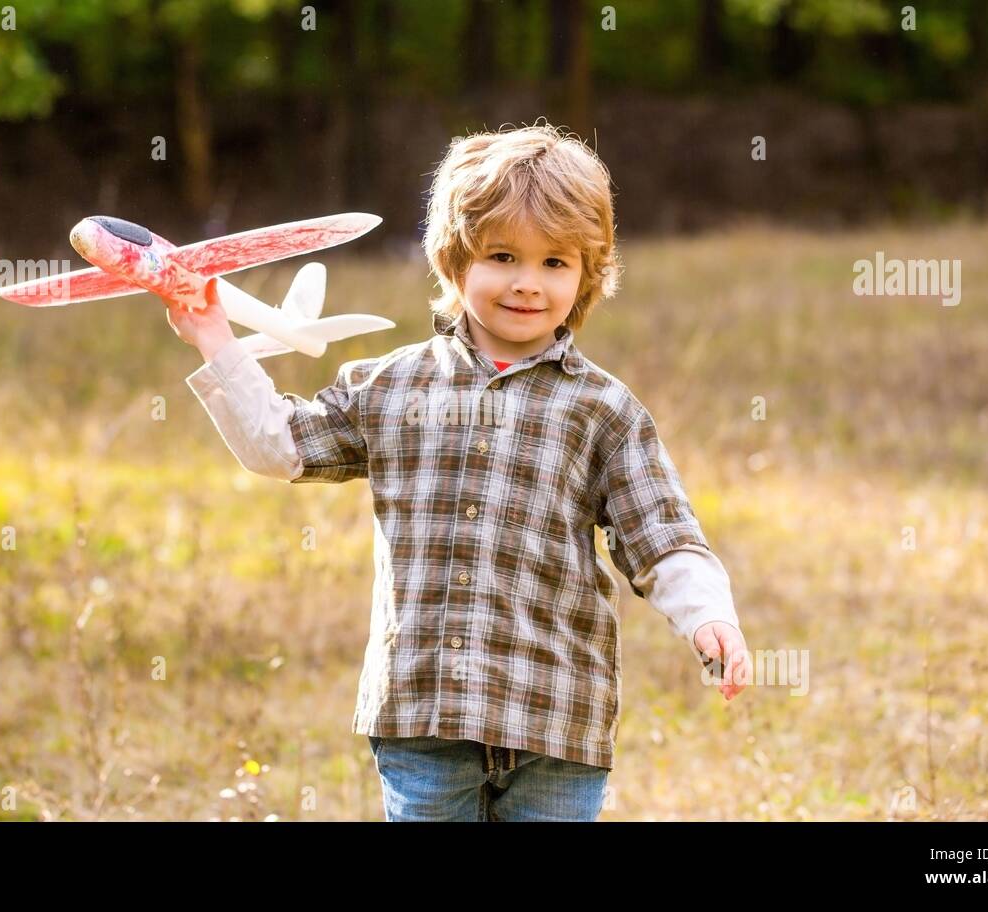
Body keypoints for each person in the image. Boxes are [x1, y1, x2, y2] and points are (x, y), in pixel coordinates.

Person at [169, 122, 750, 822]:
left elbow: (662, 536)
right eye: (502, 255)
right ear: (455, 259)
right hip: (425, 715)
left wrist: (709, 616)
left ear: (588, 274)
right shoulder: (392, 386)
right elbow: (278, 445)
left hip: (556, 722)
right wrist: (213, 335)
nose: (526, 284)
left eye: (555, 264)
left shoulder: (605, 411)